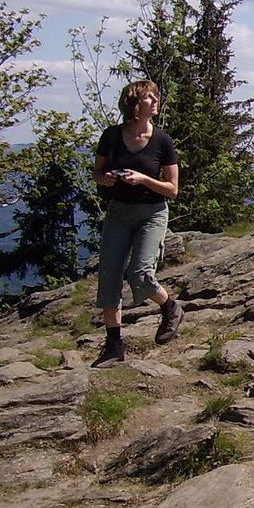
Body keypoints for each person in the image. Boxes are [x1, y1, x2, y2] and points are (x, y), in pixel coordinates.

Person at [90, 80, 185, 368]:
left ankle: (170, 307)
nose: (155, 101)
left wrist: (143, 179)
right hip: (118, 211)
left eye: (155, 97)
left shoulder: (162, 141)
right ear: (134, 104)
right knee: (109, 277)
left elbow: (172, 189)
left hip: (152, 212)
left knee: (140, 274)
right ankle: (114, 345)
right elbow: (97, 172)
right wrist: (104, 178)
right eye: (149, 97)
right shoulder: (111, 136)